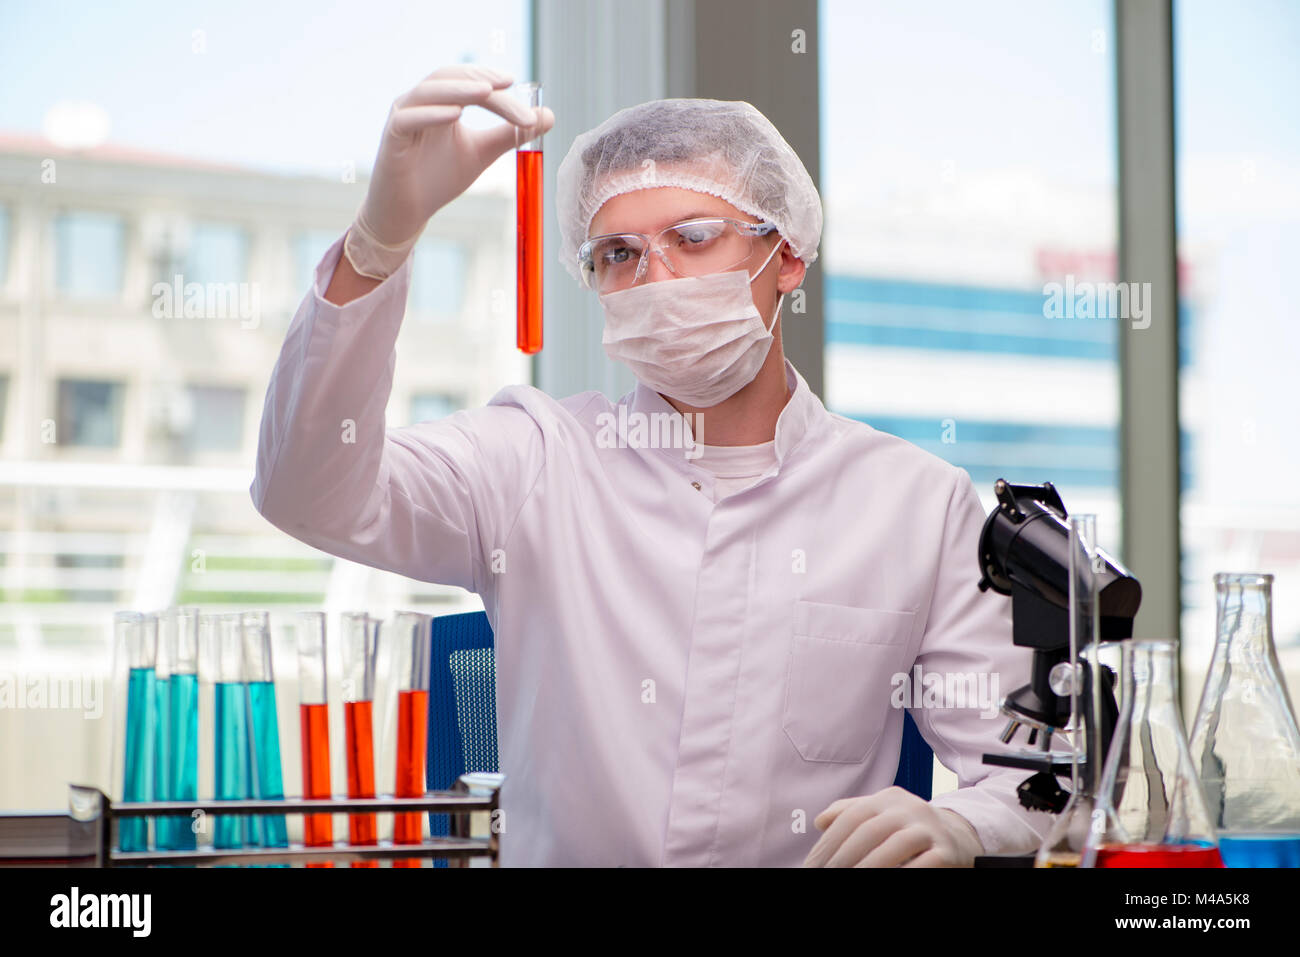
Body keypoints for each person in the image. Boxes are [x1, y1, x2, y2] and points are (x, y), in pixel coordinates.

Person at [252, 64, 1053, 866]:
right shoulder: (532, 460)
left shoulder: (916, 506)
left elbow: (1035, 773)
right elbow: (308, 490)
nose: (655, 278)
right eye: (618, 253)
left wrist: (963, 826)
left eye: (693, 238)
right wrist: (379, 242)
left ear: (787, 257)